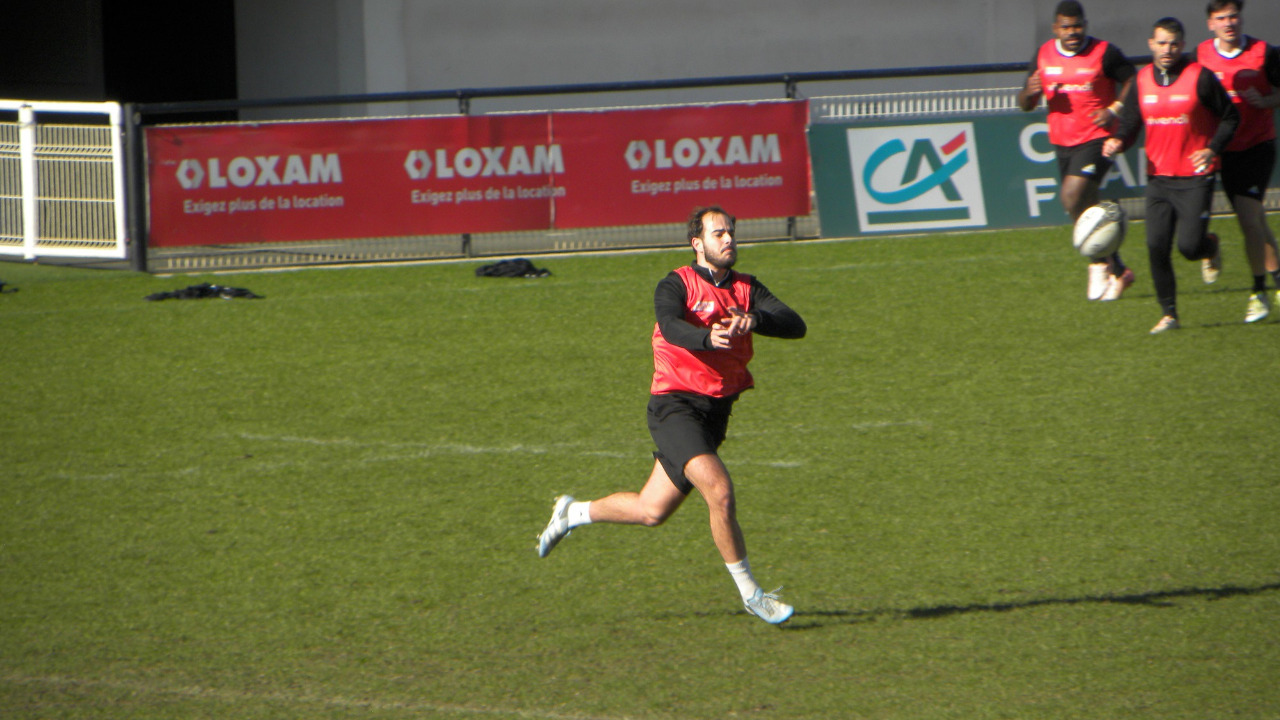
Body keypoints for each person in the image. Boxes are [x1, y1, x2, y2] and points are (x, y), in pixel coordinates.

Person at [536, 205, 807, 625]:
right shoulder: (675, 284)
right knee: (719, 491)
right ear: (697, 243)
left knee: (651, 510)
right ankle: (753, 595)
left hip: (715, 413)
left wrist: (755, 319)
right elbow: (669, 325)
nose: (729, 239)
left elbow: (794, 324)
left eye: (731, 232)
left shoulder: (747, 288)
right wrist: (707, 338)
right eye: (718, 234)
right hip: (674, 406)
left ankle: (573, 513)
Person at [1103, 17, 1239, 334]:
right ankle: (1169, 315)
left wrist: (1212, 149)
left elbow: (1231, 117)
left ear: (1183, 45)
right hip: (1158, 179)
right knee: (1156, 246)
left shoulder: (1200, 77)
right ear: (1151, 44)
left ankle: (1209, 246)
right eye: (1162, 43)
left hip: (1195, 176)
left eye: (1174, 44)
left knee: (1189, 247)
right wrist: (1118, 141)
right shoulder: (1142, 81)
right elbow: (1130, 124)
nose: (1168, 49)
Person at [1018, 0, 1137, 302]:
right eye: (1066, 27)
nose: (1073, 32)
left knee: (1071, 196)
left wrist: (1114, 109)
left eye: (1077, 26)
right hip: (1062, 141)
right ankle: (1118, 269)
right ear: (1055, 28)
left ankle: (1097, 264)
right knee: (1082, 207)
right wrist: (1029, 92)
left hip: (1097, 137)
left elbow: (1133, 79)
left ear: (1085, 25)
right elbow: (1025, 103)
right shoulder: (1044, 54)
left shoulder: (1104, 52)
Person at [1194, 0, 1280, 323]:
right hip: (1221, 148)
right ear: (1211, 23)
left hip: (1257, 146)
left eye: (1233, 16)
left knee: (1248, 219)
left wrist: (1266, 100)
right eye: (1221, 18)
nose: (1229, 23)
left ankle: (1258, 293)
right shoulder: (1201, 55)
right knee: (1255, 220)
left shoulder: (1264, 52)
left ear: (1240, 18)